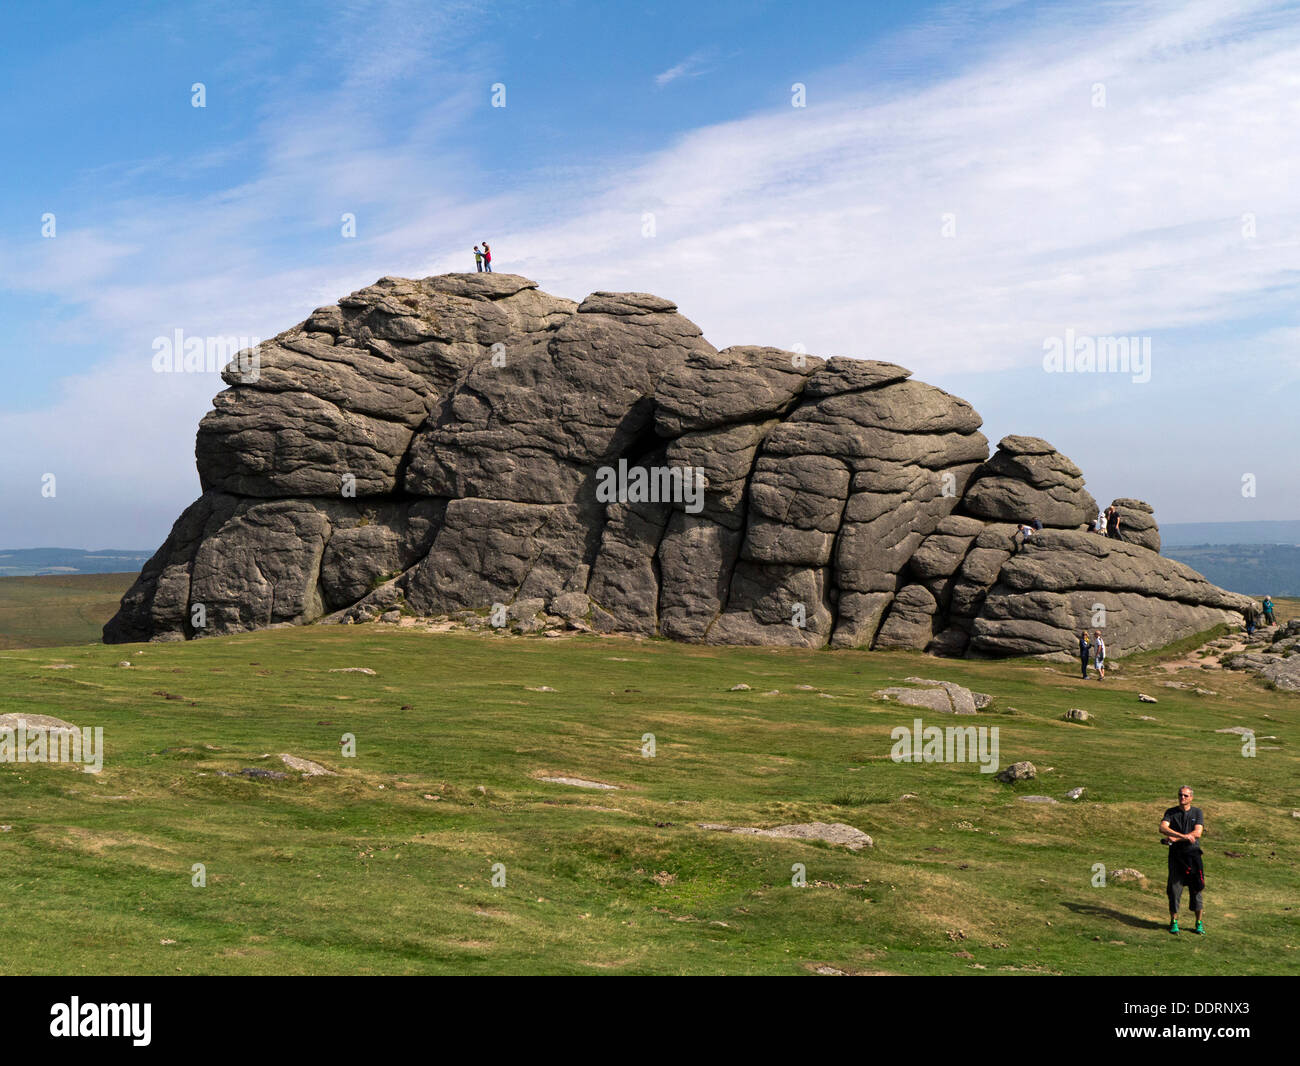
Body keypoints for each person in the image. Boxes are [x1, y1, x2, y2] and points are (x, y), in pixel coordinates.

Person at [1160, 786, 1205, 935]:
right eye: (1180, 795)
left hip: (1193, 857)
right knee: (1174, 889)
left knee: (1197, 889)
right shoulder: (1170, 812)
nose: (1182, 798)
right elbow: (1163, 828)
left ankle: (1199, 923)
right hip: (1176, 857)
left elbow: (1198, 832)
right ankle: (1174, 922)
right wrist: (1185, 837)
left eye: (1185, 795)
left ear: (1191, 797)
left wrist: (1176, 838)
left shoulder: (1197, 812)